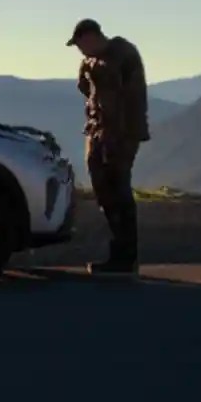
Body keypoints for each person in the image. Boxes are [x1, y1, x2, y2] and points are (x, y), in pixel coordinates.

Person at [67, 18, 149, 275]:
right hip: (98, 132)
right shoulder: (90, 62)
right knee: (104, 191)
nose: (81, 51)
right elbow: (85, 88)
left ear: (91, 37)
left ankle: (126, 256)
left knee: (118, 189)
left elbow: (129, 95)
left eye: (81, 44)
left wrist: (121, 134)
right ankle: (118, 252)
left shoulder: (123, 53)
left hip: (121, 134)